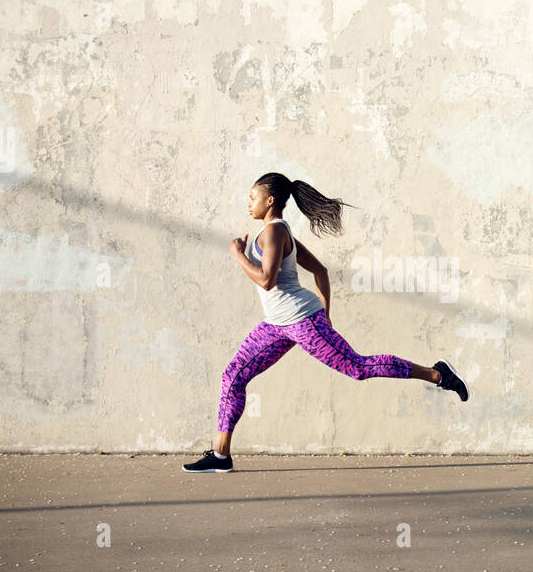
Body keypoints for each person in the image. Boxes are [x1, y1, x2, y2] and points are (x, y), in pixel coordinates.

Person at [183, 172, 468, 473]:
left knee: (358, 368)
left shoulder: (275, 233)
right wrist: (327, 314)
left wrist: (238, 256)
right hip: (277, 325)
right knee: (233, 375)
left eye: (253, 198)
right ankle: (221, 454)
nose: (248, 203)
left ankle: (437, 374)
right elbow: (320, 271)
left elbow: (266, 281)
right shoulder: (275, 232)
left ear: (270, 201)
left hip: (303, 320)